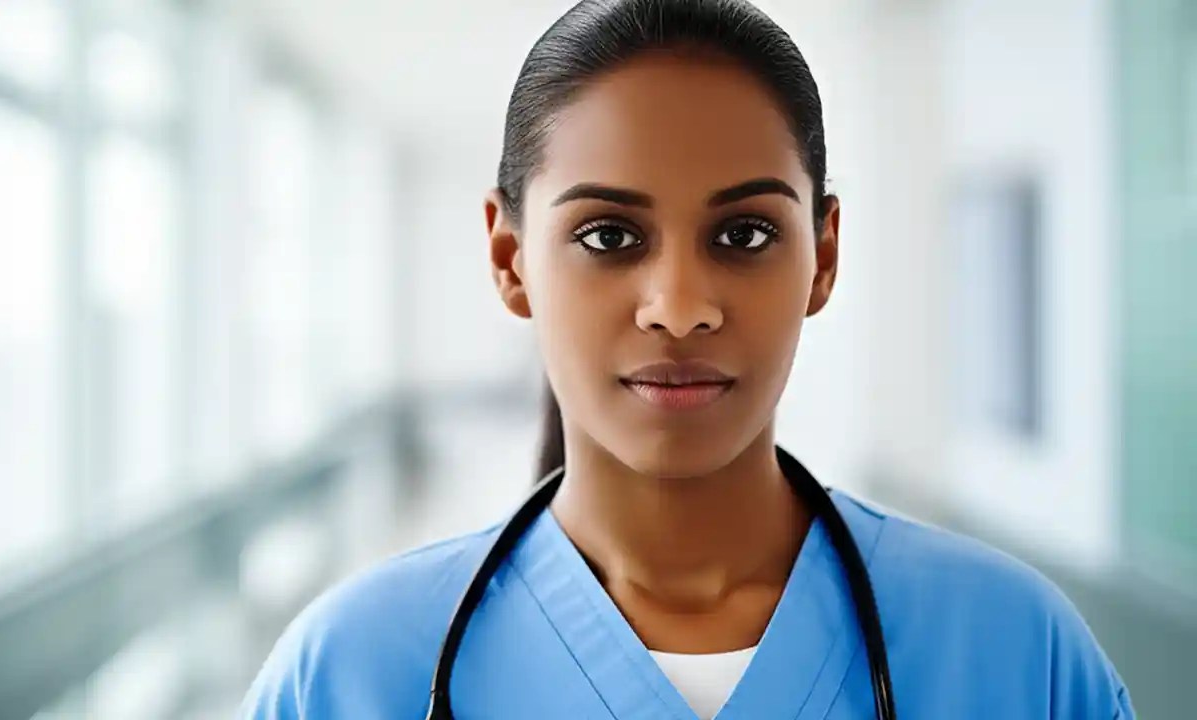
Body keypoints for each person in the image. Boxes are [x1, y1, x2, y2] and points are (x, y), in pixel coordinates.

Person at [239, 0, 1135, 717]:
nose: (678, 308)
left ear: (823, 256)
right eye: (608, 235)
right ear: (510, 261)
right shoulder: (349, 675)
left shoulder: (1018, 655)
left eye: (743, 234)